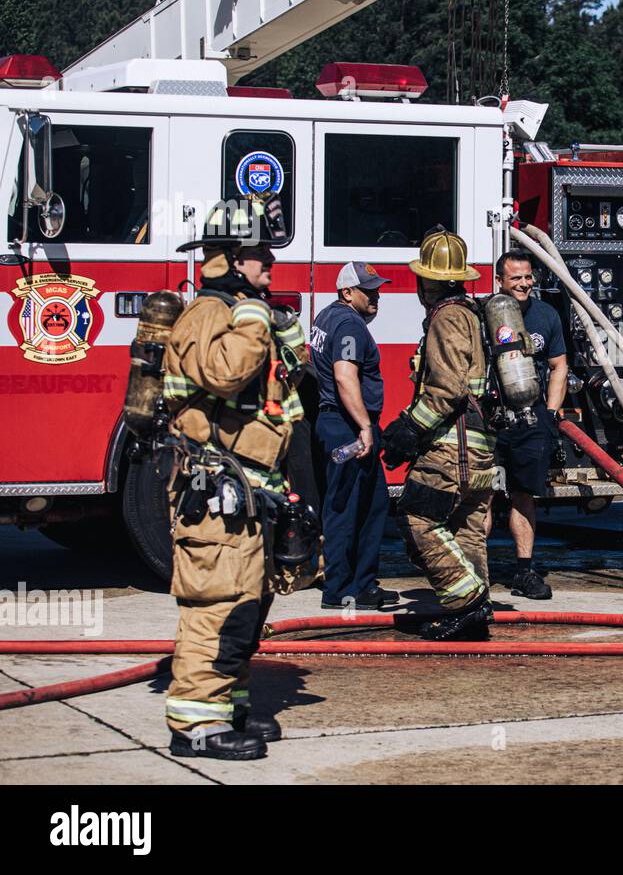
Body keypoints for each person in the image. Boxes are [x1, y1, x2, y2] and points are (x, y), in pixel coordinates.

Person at [162, 199, 313, 760]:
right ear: (228, 260)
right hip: (214, 495)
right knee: (216, 603)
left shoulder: (242, 311)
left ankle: (226, 709)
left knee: (245, 606)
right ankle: (196, 727)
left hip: (249, 491)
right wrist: (253, 318)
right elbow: (226, 375)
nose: (271, 264)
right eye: (259, 255)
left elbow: (282, 388)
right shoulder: (208, 314)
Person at [381, 229, 496, 641]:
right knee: (466, 526)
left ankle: (467, 604)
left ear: (425, 281)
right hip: (480, 449)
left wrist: (408, 429)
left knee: (419, 517)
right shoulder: (474, 313)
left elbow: (447, 390)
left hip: (453, 447)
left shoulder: (447, 317)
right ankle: (476, 612)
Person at [310, 261, 397, 611]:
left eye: (377, 288)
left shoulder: (327, 316)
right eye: (368, 290)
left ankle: (358, 585)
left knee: (369, 503)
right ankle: (343, 591)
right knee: (347, 509)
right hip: (347, 426)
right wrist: (364, 427)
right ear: (347, 292)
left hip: (334, 424)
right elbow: (345, 377)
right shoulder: (349, 325)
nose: (376, 296)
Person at [485, 250, 568, 600]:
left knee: (523, 495)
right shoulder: (484, 314)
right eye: (515, 277)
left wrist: (550, 412)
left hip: (531, 418)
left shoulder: (547, 315)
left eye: (528, 277)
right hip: (489, 419)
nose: (523, 283)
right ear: (500, 281)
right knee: (482, 495)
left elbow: (559, 365)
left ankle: (524, 571)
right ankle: (476, 572)